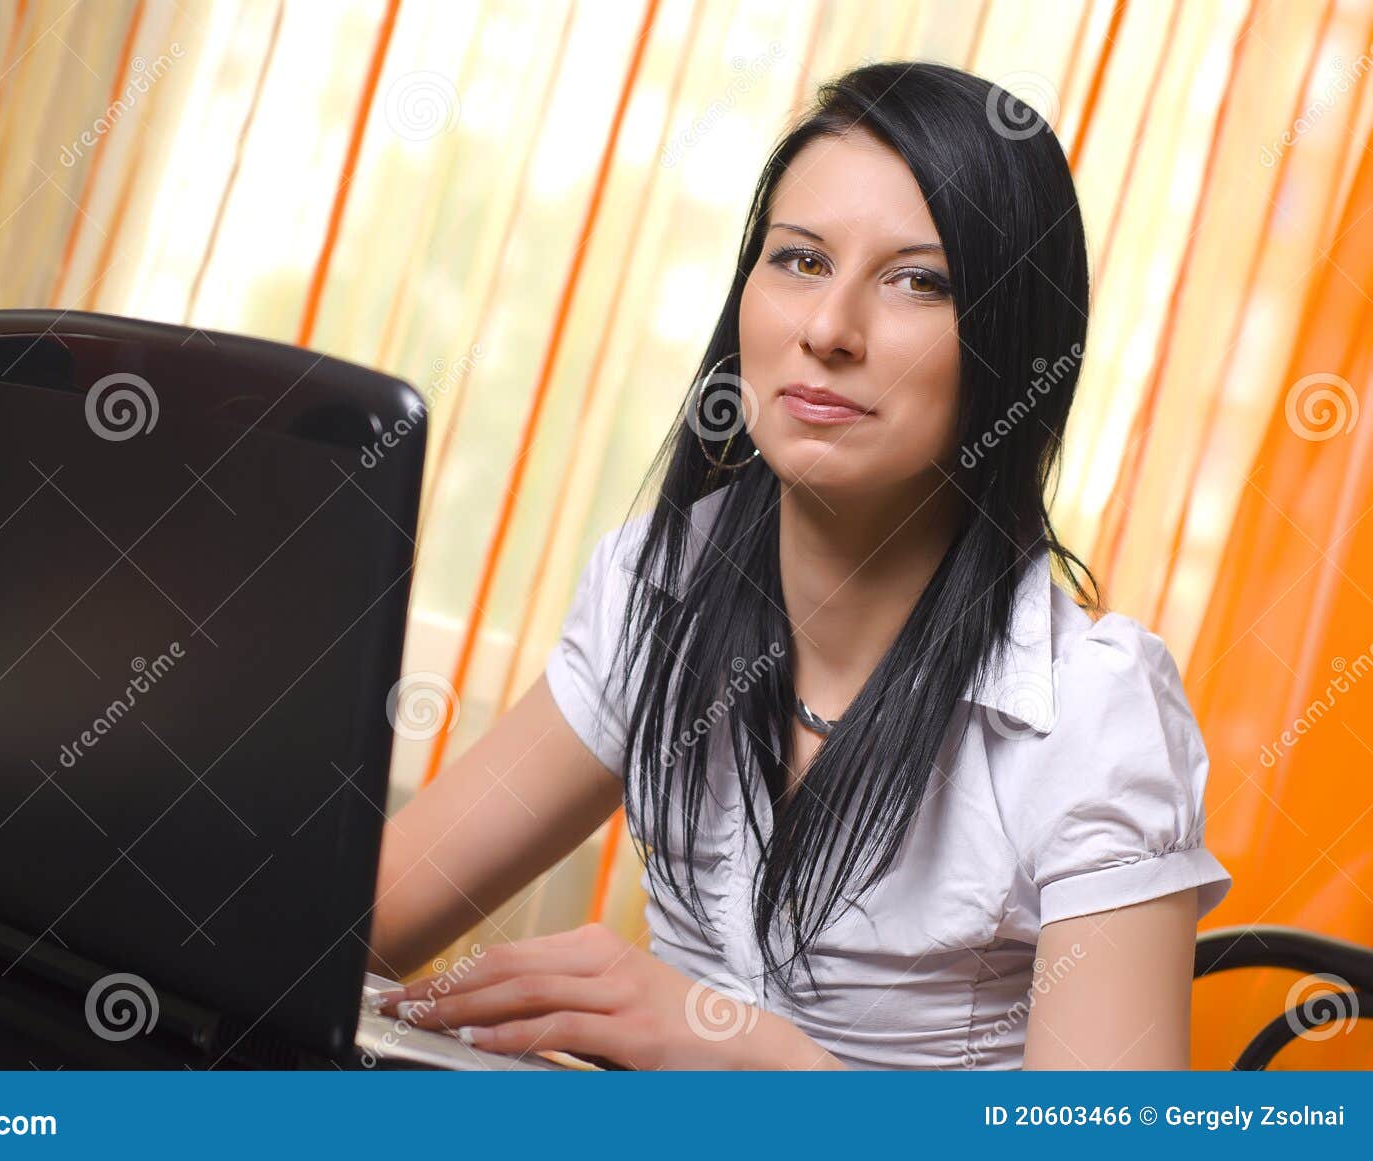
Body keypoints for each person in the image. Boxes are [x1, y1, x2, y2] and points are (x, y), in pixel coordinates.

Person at [367, 60, 1232, 1070]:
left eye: (919, 280)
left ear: (1013, 340)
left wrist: (749, 1057)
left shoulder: (1089, 716)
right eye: (799, 261)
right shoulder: (661, 585)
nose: (827, 331)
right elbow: (345, 935)